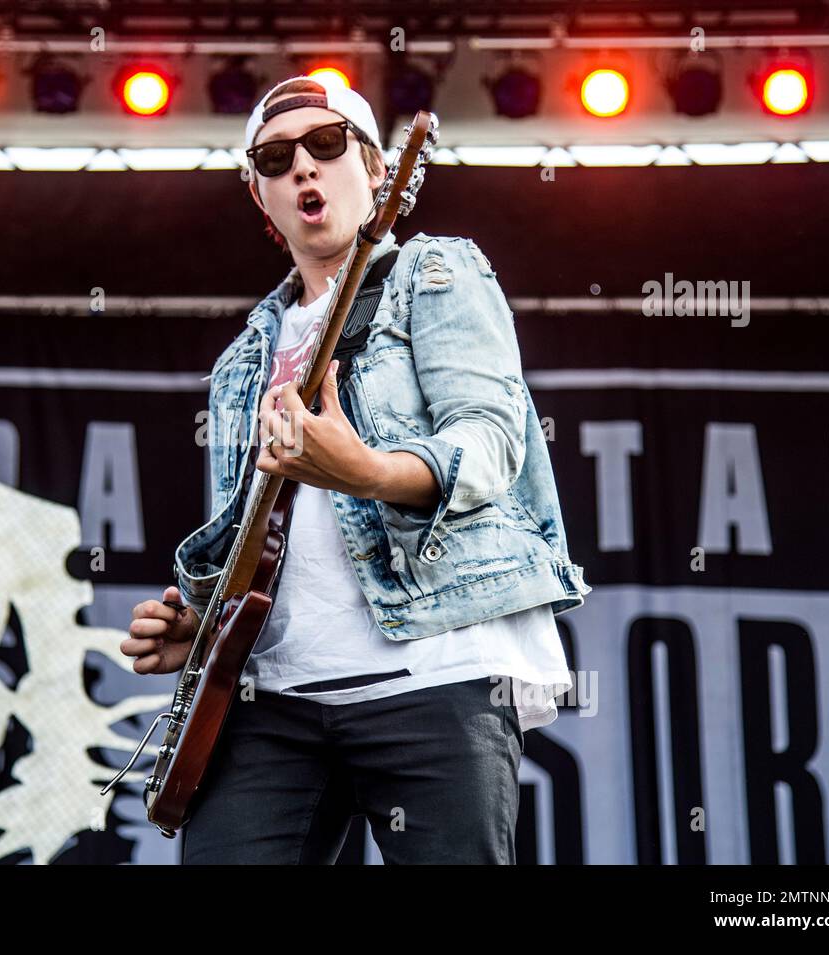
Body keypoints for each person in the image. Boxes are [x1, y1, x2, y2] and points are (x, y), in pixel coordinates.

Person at [121, 73, 591, 864]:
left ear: (378, 170)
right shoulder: (243, 360)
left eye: (326, 144)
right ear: (260, 197)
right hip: (274, 697)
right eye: (275, 158)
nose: (302, 165)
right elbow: (257, 541)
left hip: (436, 671)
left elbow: (488, 441)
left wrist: (369, 471)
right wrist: (206, 630)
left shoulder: (434, 272)